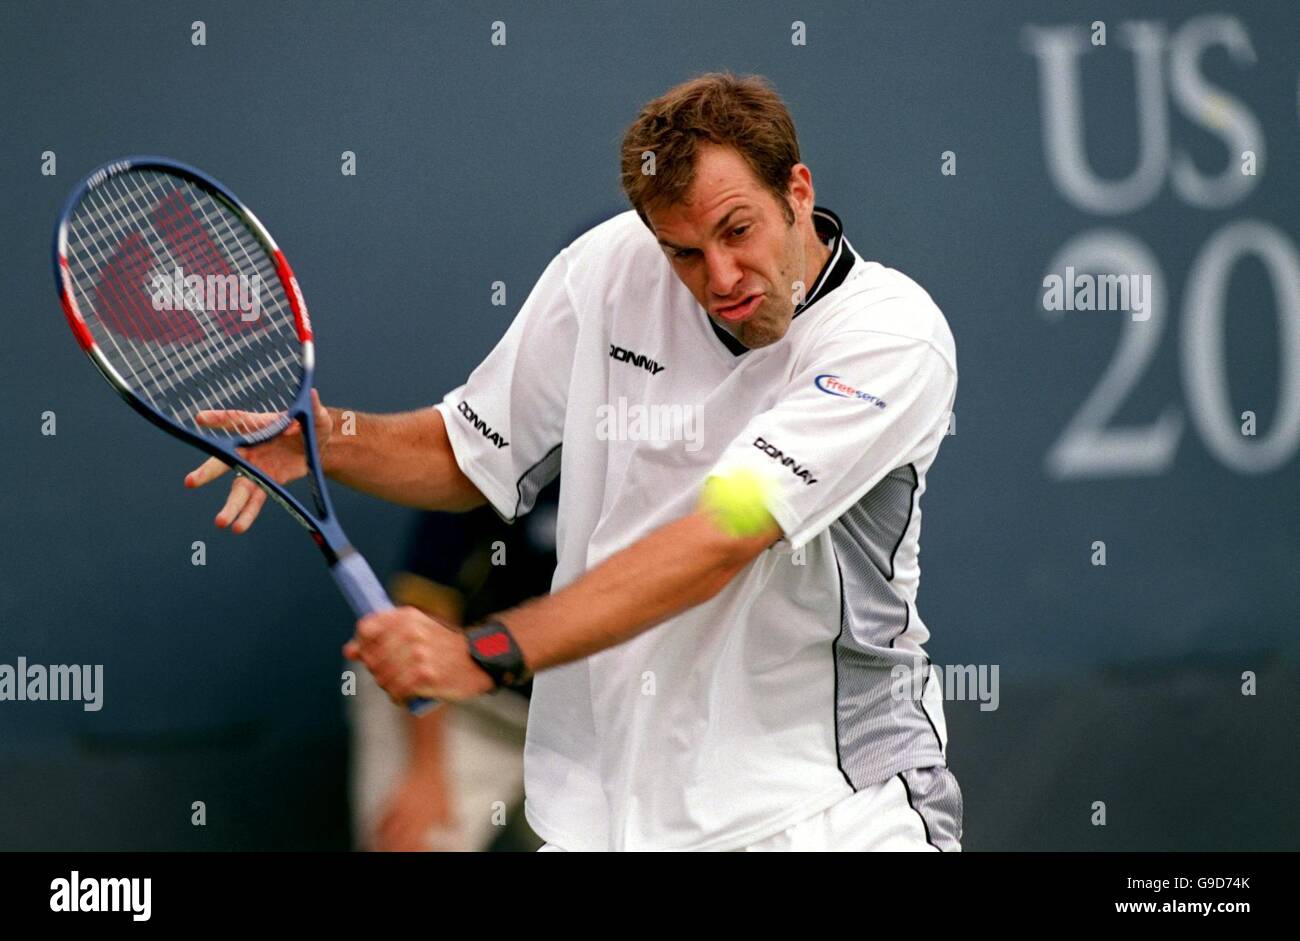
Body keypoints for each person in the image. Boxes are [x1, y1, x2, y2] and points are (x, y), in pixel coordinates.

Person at [187, 72, 962, 851]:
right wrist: (334, 440)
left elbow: (722, 535)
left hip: (835, 812)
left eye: (738, 231)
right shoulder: (608, 268)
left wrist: (484, 652)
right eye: (683, 252)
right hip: (610, 817)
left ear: (797, 189)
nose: (719, 279)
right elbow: (470, 452)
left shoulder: (890, 336)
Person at [352, 484, 558, 852]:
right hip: (462, 707)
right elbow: (424, 615)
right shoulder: (501, 454)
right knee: (419, 843)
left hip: (583, 730)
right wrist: (427, 771)